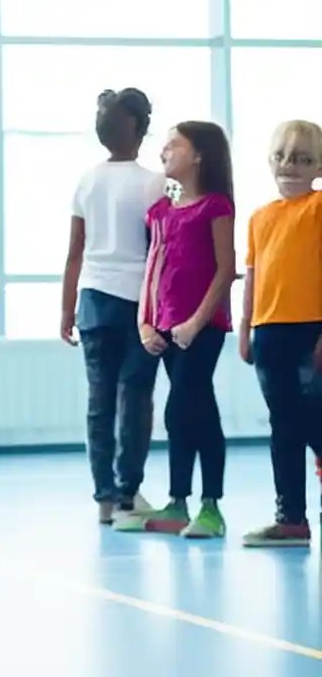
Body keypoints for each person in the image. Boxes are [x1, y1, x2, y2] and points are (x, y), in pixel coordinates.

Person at [116, 121, 236, 539]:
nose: (163, 150)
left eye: (174, 144)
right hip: (165, 328)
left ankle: (210, 506)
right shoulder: (160, 214)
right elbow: (152, 272)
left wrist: (194, 323)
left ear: (199, 155)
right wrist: (144, 323)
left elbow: (226, 271)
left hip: (202, 328)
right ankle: (178, 503)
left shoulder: (216, 207)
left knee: (191, 406)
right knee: (181, 412)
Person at [59, 88, 165, 525]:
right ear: (141, 129)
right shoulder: (153, 182)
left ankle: (104, 497)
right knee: (135, 398)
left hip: (93, 300)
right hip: (140, 303)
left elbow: (74, 251)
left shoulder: (87, 179)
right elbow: (161, 248)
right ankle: (127, 493)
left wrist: (67, 309)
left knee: (99, 401)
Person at [239, 120, 322, 548]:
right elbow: (253, 276)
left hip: (312, 331)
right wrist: (245, 327)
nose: (290, 166)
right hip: (269, 331)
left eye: (303, 159)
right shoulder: (259, 217)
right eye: (282, 157)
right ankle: (290, 517)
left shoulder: (318, 207)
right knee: (283, 425)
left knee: (316, 421)